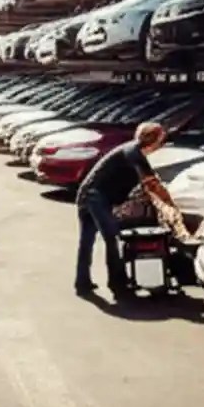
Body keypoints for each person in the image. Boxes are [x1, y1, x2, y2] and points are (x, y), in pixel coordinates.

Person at [73, 121, 176, 295]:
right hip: (95, 197)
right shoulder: (134, 153)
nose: (161, 143)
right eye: (161, 139)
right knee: (112, 237)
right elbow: (152, 183)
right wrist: (170, 204)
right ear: (154, 139)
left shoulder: (131, 151)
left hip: (87, 194)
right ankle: (117, 283)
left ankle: (82, 282)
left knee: (87, 241)